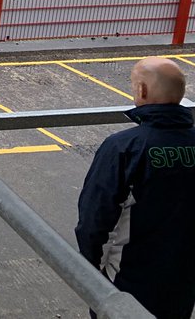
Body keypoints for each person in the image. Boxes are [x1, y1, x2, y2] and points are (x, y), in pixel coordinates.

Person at [76, 57, 195, 319]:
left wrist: (89, 273)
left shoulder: (124, 147)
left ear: (141, 90)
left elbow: (94, 219)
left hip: (128, 279)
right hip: (183, 280)